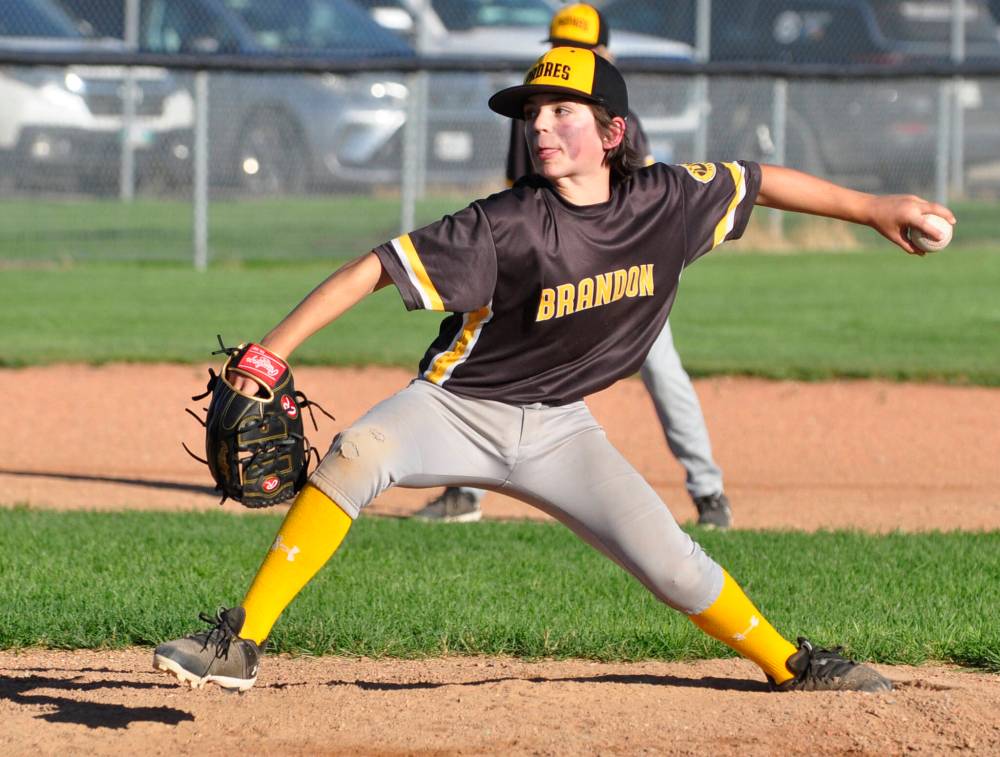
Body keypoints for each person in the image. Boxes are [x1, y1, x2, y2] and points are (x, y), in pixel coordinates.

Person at [153, 46, 954, 695]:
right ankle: (241, 641)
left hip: (561, 425)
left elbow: (757, 179)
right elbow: (373, 267)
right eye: (533, 113)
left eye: (562, 111)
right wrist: (269, 352)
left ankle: (792, 663)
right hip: (459, 404)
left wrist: (877, 208)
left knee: (674, 561)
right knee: (358, 452)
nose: (540, 125)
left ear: (611, 133)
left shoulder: (666, 201)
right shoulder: (501, 226)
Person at [414, 3, 732, 528]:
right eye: (560, 46)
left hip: (624, 278)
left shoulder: (608, 124)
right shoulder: (542, 118)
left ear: (605, 54)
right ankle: (464, 493)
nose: (569, 56)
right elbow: (519, 198)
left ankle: (709, 492)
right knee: (505, 363)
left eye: (582, 49)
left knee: (661, 368)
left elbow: (648, 207)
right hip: (552, 271)